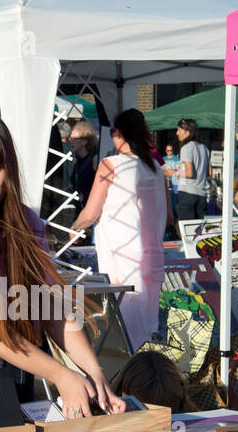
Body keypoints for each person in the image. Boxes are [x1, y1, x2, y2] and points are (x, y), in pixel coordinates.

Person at [0, 109, 123, 418]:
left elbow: (52, 309)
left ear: (10, 168)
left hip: (23, 367)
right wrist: (61, 374)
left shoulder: (26, 222)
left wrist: (94, 371)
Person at [71, 109, 171, 345]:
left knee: (124, 333)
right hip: (151, 259)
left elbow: (90, 212)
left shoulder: (111, 164)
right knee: (146, 333)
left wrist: (73, 228)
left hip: (120, 259)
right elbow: (169, 216)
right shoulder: (157, 169)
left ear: (119, 134)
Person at [164, 117, 209, 221]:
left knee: (187, 230)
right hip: (201, 194)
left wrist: (174, 173)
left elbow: (189, 173)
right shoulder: (204, 148)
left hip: (187, 194)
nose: (177, 133)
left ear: (187, 132)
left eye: (179, 130)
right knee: (198, 232)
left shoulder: (186, 148)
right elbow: (206, 172)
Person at [63, 121, 99, 231]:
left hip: (92, 212)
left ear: (84, 141)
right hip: (80, 209)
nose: (71, 142)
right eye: (70, 138)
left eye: (75, 139)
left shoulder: (95, 159)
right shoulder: (76, 161)